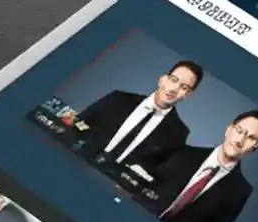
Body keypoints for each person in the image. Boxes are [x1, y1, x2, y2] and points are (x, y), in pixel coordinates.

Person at [151, 109, 258, 222]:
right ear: (229, 129)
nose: (240, 141)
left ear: (256, 146)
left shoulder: (240, 191)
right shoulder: (184, 153)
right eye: (239, 130)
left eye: (251, 138)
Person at [74, 60, 203, 168]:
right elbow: (76, 124)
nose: (174, 89)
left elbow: (154, 174)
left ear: (187, 95)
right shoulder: (118, 99)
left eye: (184, 87)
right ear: (162, 80)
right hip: (75, 160)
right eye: (173, 80)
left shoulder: (178, 133)